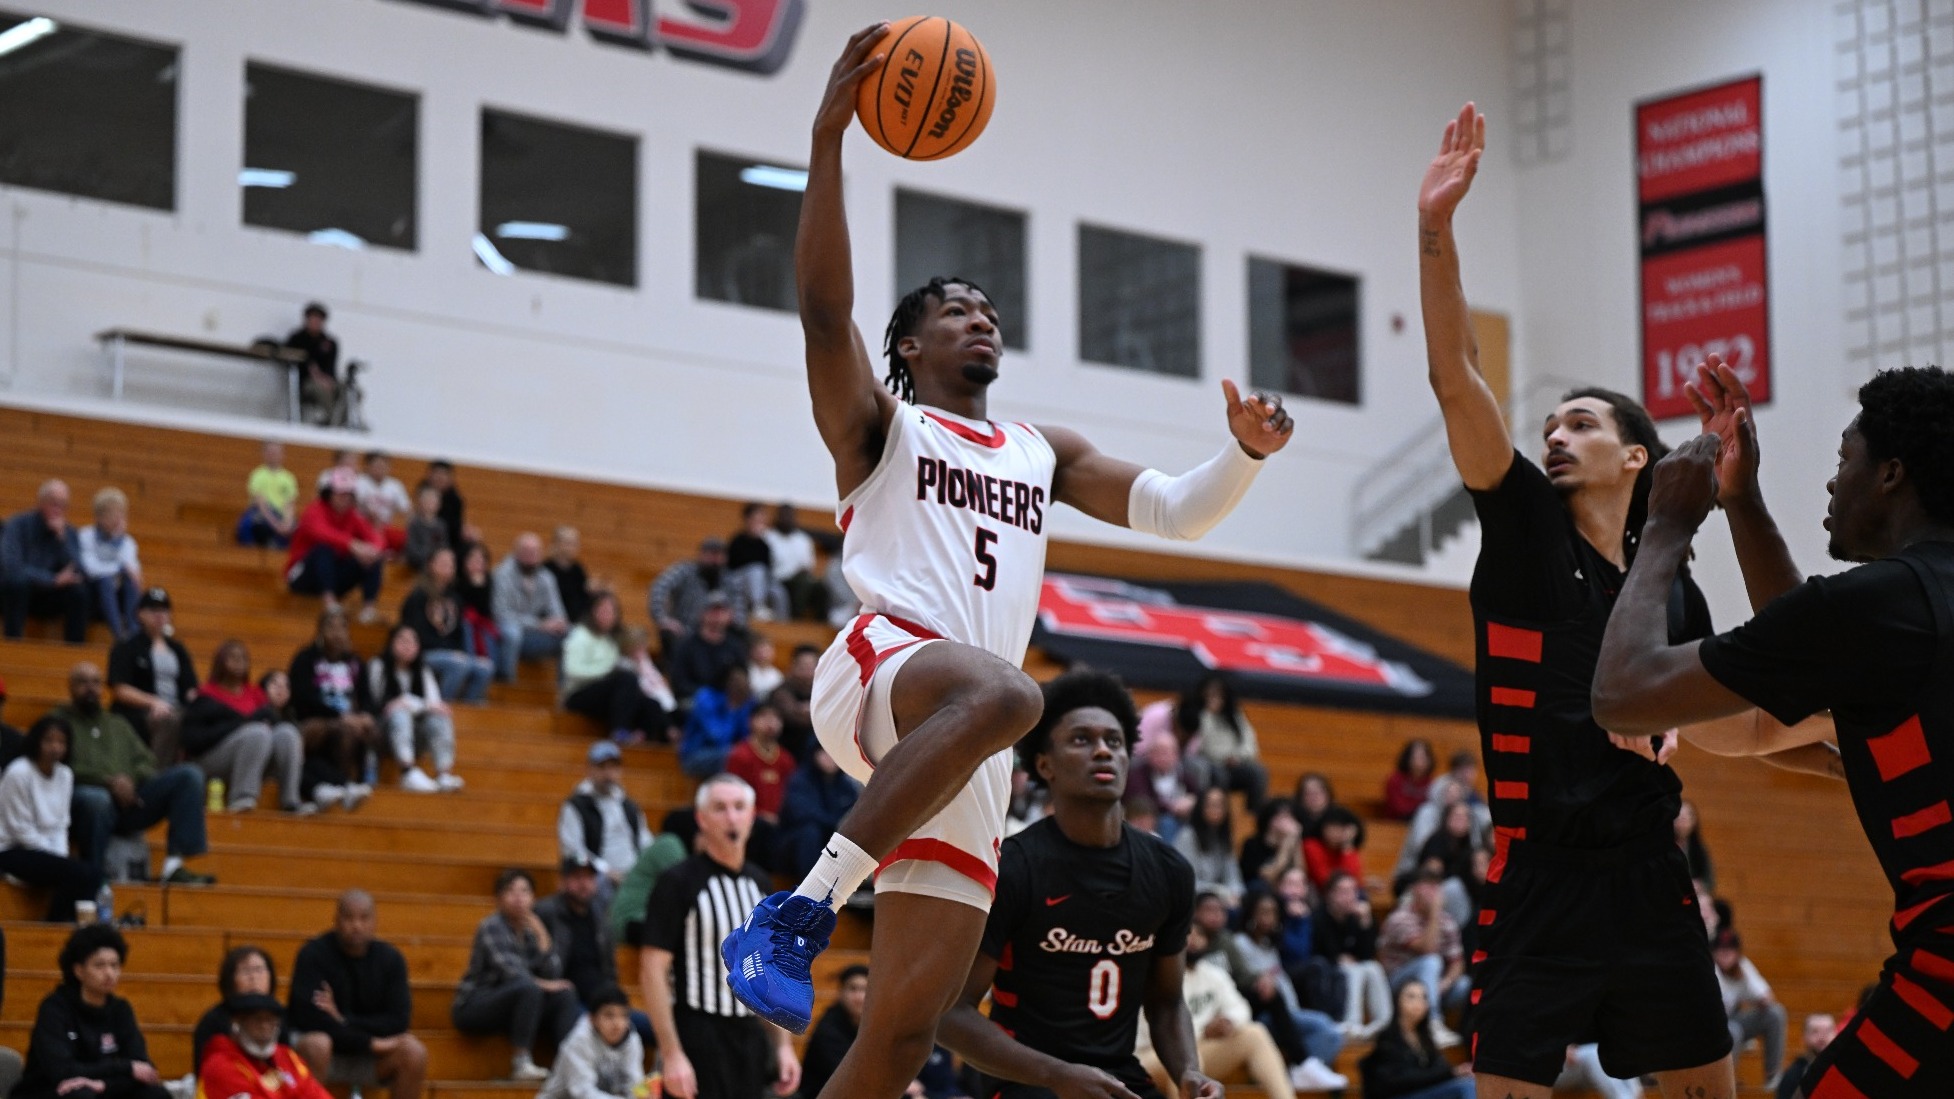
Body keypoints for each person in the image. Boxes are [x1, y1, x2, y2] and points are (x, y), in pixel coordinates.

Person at [719, 32, 1292, 1086]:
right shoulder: (883, 426)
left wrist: (1244, 455)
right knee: (1013, 692)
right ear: (909, 348)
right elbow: (822, 313)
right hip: (888, 665)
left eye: (987, 309)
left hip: (968, 741)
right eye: (953, 309)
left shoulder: (1042, 449)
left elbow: (1176, 511)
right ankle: (797, 910)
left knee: (904, 1029)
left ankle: (814, 917)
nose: (979, 317)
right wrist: (829, 137)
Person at [1416, 102, 1733, 1097]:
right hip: (1537, 876)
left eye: (1582, 423)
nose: (1555, 434)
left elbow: (1720, 712)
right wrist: (1435, 229)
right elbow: (1456, 376)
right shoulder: (1525, 531)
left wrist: (1691, 730)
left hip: (1648, 873)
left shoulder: (1673, 578)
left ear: (1636, 458)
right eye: (1550, 424)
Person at [1588, 360, 1954, 1097]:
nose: (1831, 482)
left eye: (1844, 458)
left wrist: (1665, 524)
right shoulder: (1902, 610)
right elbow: (1813, 642)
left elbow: (1622, 694)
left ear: (1891, 475)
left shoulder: (1879, 604)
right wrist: (1742, 500)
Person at [935, 670, 1221, 1099]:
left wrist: (1189, 1071)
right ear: (1044, 765)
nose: (1103, 750)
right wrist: (1057, 1075)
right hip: (1026, 1081)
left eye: (1114, 741)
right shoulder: (1014, 868)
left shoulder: (1169, 870)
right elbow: (950, 1015)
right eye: (1082, 739)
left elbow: (1166, 1003)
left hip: (1119, 1077)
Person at [641, 775, 800, 1099]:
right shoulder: (678, 881)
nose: (731, 817)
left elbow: (771, 972)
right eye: (720, 808)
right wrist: (671, 1053)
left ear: (752, 817)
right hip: (697, 1032)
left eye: (739, 807)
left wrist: (783, 1046)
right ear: (702, 819)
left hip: (750, 1036)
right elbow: (652, 969)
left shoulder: (761, 886)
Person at [55, 662, 215, 885]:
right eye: (83, 682)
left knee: (189, 775)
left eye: (96, 682)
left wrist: (130, 780)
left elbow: (146, 761)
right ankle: (93, 875)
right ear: (70, 687)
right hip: (82, 805)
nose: (90, 688)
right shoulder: (58, 722)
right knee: (97, 800)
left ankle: (173, 867)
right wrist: (108, 782)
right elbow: (56, 767)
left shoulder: (116, 724)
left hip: (129, 801)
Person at [1135, 920, 1295, 1099]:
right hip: (1147, 1056)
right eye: (1188, 935)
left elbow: (1241, 1008)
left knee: (1255, 1033)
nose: (1194, 940)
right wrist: (1205, 1030)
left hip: (1199, 1050)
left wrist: (1228, 1021)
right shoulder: (1154, 975)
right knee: (1185, 1060)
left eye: (1200, 935)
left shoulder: (1214, 974)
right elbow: (1157, 1032)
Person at [288, 891, 425, 1099]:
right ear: (336, 920)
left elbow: (398, 1022)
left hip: (368, 1058)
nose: (356, 925)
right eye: (349, 918)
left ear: (375, 921)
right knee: (318, 1043)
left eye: (364, 918)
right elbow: (310, 1020)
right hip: (326, 1055)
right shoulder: (313, 955)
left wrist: (343, 1019)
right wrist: (370, 1042)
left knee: (414, 1051)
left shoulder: (391, 959)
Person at [451, 869, 581, 1081]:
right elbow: (511, 972)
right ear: (499, 899)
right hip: (477, 1003)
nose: (518, 897)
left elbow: (553, 973)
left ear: (533, 898)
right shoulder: (491, 926)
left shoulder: (531, 930)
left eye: (525, 891)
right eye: (510, 891)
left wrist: (543, 938)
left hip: (516, 1006)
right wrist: (543, 984)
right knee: (528, 988)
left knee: (564, 995)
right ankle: (521, 1063)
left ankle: (569, 1065)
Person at [15, 924, 167, 1099]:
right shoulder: (55, 1008)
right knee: (81, 1096)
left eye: (115, 965)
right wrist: (125, 1067)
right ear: (79, 971)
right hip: (50, 1090)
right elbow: (62, 1071)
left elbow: (145, 1069)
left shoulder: (120, 1010)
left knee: (156, 1094)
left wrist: (104, 1085)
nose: (109, 973)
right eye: (99, 965)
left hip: (100, 1088)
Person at [182, 642, 308, 814]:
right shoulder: (206, 695)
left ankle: (291, 801)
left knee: (287, 732)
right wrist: (242, 724)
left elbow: (272, 724)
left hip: (256, 757)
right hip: (211, 759)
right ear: (220, 662)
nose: (239, 662)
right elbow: (192, 740)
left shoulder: (256, 695)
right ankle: (242, 798)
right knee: (257, 732)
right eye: (233, 657)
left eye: (243, 658)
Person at [0, 717, 100, 921]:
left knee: (91, 873)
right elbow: (19, 828)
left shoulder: (65, 775)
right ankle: (55, 924)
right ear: (37, 741)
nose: (55, 747)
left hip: (45, 851)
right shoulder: (18, 772)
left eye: (61, 742)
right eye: (49, 740)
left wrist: (59, 856)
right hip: (11, 849)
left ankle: (77, 925)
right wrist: (54, 858)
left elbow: (62, 824)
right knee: (76, 873)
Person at [288, 610, 378, 811]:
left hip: (349, 720)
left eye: (342, 627)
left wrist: (366, 715)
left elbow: (366, 697)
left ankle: (358, 782)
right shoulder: (305, 658)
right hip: (314, 719)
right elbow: (302, 698)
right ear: (320, 631)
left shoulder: (356, 662)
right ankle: (342, 784)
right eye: (331, 627)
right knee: (341, 729)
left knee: (368, 729)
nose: (337, 633)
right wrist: (340, 716)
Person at [1376, 866, 1466, 1048]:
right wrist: (1434, 913)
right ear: (1415, 891)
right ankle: (1433, 1022)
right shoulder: (1400, 918)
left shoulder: (1447, 921)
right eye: (1429, 887)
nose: (1434, 894)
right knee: (1431, 962)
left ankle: (1466, 1035)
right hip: (1399, 984)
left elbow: (1457, 962)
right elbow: (1428, 949)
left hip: (1434, 985)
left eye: (1437, 887)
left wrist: (1445, 983)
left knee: (1465, 985)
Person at [365, 625, 462, 793]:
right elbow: (372, 704)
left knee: (439, 716)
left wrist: (408, 702)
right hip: (382, 732)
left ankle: (443, 773)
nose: (407, 645)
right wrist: (407, 705)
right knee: (400, 713)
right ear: (391, 642)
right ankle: (407, 771)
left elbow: (435, 705)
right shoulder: (377, 665)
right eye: (402, 640)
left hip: (415, 736)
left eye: (412, 642)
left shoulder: (423, 671)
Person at [561, 594, 668, 745]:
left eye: (611, 612)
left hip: (607, 694)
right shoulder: (580, 634)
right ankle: (619, 732)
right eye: (603, 610)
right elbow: (572, 670)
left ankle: (644, 743)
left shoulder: (612, 640)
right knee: (626, 679)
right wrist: (607, 670)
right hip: (578, 693)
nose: (607, 616)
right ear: (593, 611)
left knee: (652, 704)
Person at [106, 588, 197, 760]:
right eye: (153, 610)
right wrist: (153, 702)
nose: (159, 615)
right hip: (140, 711)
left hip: (175, 708)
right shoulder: (126, 646)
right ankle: (155, 770)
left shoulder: (178, 649)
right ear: (140, 614)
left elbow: (190, 687)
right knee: (169, 719)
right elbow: (120, 689)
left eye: (164, 610)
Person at [286, 470, 385, 622]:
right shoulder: (314, 510)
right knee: (323, 549)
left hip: (333, 577)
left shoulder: (352, 515)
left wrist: (372, 551)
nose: (345, 499)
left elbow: (374, 537)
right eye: (340, 494)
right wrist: (352, 544)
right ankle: (330, 603)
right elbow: (321, 533)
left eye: (348, 495)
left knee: (372, 558)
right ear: (330, 494)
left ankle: (368, 609)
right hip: (302, 575)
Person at [398, 547, 492, 705]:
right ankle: (440, 706)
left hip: (450, 653)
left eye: (451, 563)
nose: (448, 566)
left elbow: (460, 632)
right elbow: (416, 633)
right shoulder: (418, 597)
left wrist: (459, 651)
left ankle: (467, 708)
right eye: (443, 562)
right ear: (431, 565)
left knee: (485, 667)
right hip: (424, 652)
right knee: (458, 663)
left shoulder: (456, 598)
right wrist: (451, 652)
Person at [557, 742, 654, 890]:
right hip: (596, 878)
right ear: (590, 769)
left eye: (613, 768)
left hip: (632, 876)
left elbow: (645, 842)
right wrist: (606, 871)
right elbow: (574, 851)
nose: (608, 774)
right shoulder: (576, 806)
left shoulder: (629, 806)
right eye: (602, 767)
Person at [0, 480, 87, 643]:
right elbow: (11, 566)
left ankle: (75, 649)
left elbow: (79, 572)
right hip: (21, 591)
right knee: (16, 582)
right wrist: (52, 579)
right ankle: (13, 643)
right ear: (41, 502)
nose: (58, 509)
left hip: (49, 597)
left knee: (79, 592)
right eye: (54, 503)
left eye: (63, 505)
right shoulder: (17, 524)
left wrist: (62, 541)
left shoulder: (68, 532)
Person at [197, 993, 329, 1099]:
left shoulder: (287, 1057)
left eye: (271, 1020)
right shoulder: (219, 1065)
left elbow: (315, 1093)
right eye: (257, 1020)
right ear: (237, 1023)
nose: (265, 1027)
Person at [1357, 980, 1474, 1099]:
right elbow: (1397, 1081)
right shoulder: (1387, 1037)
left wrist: (1457, 1071)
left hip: (1421, 1093)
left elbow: (1441, 1068)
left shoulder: (1425, 1037)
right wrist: (1451, 1073)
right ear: (1397, 1001)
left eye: (1424, 997)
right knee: (1465, 1087)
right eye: (1411, 996)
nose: (1419, 1002)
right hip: (1399, 1094)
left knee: (1470, 1082)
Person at [1315, 870, 1392, 1040]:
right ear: (1330, 894)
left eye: (1352, 891)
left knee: (1373, 967)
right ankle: (1352, 1023)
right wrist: (1337, 958)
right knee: (1352, 970)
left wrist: (1365, 923)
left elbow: (1367, 954)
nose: (1349, 897)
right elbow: (1318, 951)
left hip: (1352, 966)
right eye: (1343, 891)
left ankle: (1384, 1023)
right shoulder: (1319, 917)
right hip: (1327, 971)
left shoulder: (1356, 917)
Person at [1707, 929, 1786, 1086]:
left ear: (1737, 953)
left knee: (1775, 1013)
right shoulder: (1708, 969)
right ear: (1713, 953)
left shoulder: (1742, 967)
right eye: (1721, 950)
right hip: (1708, 1027)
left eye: (1730, 950)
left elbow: (1767, 997)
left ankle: (1772, 1076)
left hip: (1731, 1021)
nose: (1725, 954)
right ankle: (1724, 1085)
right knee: (1733, 1032)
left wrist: (1757, 996)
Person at [1178, 673, 1268, 810]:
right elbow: (1201, 744)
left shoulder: (1235, 716)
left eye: (1218, 696)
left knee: (1258, 772)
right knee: (1220, 775)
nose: (1214, 700)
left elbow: (1249, 742)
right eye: (1210, 695)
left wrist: (1237, 757)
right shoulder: (1198, 715)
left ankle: (1254, 813)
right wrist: (1208, 713)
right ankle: (1219, 812)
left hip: (1235, 763)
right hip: (1209, 763)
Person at [536, 985, 643, 1099]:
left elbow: (635, 1085)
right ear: (592, 1019)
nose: (618, 1024)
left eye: (623, 1016)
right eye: (609, 1015)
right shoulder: (578, 1041)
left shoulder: (632, 1039)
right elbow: (583, 1093)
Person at [491, 533, 569, 682]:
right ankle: (506, 682)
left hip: (534, 634)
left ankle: (565, 689)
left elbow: (557, 610)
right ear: (516, 552)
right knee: (512, 633)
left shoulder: (546, 577)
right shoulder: (502, 574)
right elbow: (500, 613)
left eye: (535, 552)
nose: (531, 556)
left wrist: (559, 622)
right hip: (508, 629)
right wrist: (539, 624)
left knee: (571, 634)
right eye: (526, 551)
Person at [774, 746, 860, 880]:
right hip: (794, 842)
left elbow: (854, 814)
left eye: (833, 753)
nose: (830, 758)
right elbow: (802, 814)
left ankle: (854, 882)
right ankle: (811, 885)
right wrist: (835, 823)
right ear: (814, 754)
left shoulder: (846, 785)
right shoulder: (800, 780)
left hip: (832, 837)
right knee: (810, 832)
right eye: (824, 753)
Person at [648, 538, 746, 651]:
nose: (715, 560)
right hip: (685, 630)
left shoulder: (731, 580)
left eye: (719, 555)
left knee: (743, 636)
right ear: (701, 555)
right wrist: (662, 618)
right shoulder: (684, 571)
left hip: (719, 635)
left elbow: (740, 612)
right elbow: (660, 587)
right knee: (667, 633)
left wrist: (732, 622)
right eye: (711, 554)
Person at [192, 946, 279, 1071]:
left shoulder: (279, 1014)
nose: (253, 977)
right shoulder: (213, 1021)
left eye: (259, 970)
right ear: (230, 979)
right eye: (245, 971)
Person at [77, 489, 142, 642]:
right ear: (100, 517)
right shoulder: (86, 535)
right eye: (113, 513)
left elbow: (133, 569)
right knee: (106, 580)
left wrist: (117, 540)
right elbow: (91, 568)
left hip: (118, 593)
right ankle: (119, 634)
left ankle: (134, 632)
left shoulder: (127, 542)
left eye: (122, 514)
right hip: (92, 591)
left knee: (130, 581)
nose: (118, 519)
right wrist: (118, 569)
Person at [801, 966, 870, 1099]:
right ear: (841, 993)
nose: (859, 997)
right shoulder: (827, 1029)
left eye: (864, 990)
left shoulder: (873, 1023)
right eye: (853, 989)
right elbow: (847, 1076)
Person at [666, 593, 746, 704]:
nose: (718, 616)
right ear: (702, 613)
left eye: (722, 611)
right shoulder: (686, 645)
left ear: (730, 615)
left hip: (728, 701)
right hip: (694, 700)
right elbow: (679, 681)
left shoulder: (735, 646)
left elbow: (743, 676)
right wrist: (703, 694)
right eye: (713, 611)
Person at [1174, 786, 1246, 907]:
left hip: (1220, 898)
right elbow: (1186, 881)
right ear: (1201, 807)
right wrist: (1221, 892)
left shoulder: (1223, 838)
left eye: (1220, 805)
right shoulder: (1187, 836)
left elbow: (1233, 876)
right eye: (1211, 805)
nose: (1216, 810)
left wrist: (1236, 893)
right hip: (1192, 898)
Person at [678, 664, 752, 779]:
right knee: (738, 756)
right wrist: (732, 708)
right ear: (727, 681)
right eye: (736, 681)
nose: (740, 685)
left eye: (744, 681)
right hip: (696, 755)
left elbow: (746, 737)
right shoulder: (706, 697)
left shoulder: (744, 702)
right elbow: (716, 735)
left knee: (751, 756)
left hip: (725, 753)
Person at [725, 701, 795, 822]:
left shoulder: (786, 759)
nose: (771, 722)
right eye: (764, 716)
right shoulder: (739, 755)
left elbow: (792, 796)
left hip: (782, 822)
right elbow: (733, 794)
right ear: (751, 721)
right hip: (749, 820)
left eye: (776, 717)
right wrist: (758, 815)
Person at [1127, 727, 1199, 844]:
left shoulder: (1184, 774)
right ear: (1149, 754)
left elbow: (1198, 795)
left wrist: (1193, 801)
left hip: (1183, 819)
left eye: (1166, 752)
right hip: (1152, 821)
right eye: (1157, 752)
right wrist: (1173, 807)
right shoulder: (1138, 775)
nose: (1162, 757)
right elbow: (1141, 803)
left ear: (1176, 755)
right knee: (1167, 823)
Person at [764, 504, 823, 621]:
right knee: (802, 583)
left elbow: (809, 566)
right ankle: (796, 619)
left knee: (821, 588)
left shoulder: (803, 539)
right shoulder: (767, 537)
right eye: (784, 515)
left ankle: (821, 623)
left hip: (800, 579)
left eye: (790, 516)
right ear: (777, 517)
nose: (787, 519)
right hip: (778, 580)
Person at [729, 504, 786, 622]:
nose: (759, 525)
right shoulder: (737, 541)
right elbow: (731, 566)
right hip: (738, 580)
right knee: (756, 570)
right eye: (756, 521)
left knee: (778, 590)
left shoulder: (764, 546)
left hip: (760, 582)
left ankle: (782, 622)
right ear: (748, 520)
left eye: (762, 522)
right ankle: (757, 606)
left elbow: (768, 569)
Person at [239, 441, 300, 548]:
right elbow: (261, 504)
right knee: (252, 524)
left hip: (281, 515)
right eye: (270, 452)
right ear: (264, 454)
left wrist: (287, 523)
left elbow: (290, 504)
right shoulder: (257, 475)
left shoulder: (288, 478)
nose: (273, 455)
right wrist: (276, 525)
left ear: (282, 454)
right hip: (263, 514)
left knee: (300, 529)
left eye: (276, 452)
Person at [287, 303, 340, 419]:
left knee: (349, 390)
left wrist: (328, 379)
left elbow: (331, 366)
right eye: (313, 318)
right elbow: (299, 363)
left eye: (318, 319)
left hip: (327, 380)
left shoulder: (329, 342)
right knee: (320, 390)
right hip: (306, 382)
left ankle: (339, 420)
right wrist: (316, 375)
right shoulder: (297, 339)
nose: (315, 322)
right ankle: (331, 420)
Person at [1301, 805, 1366, 893]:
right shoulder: (1311, 846)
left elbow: (1353, 880)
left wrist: (1347, 846)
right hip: (1318, 893)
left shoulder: (1348, 851)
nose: (1335, 833)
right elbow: (1324, 881)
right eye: (1332, 827)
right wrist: (1347, 848)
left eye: (1341, 829)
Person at [355, 453, 411, 554]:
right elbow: (352, 506)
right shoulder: (359, 482)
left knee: (406, 539)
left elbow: (406, 510)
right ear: (368, 466)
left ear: (389, 467)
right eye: (376, 466)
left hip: (385, 527)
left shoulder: (395, 485)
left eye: (383, 466)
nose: (380, 469)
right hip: (362, 527)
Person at [1775, 1013, 1835, 1099]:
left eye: (1827, 1031)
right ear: (1804, 1036)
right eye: (1815, 1031)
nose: (1822, 1037)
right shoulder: (1793, 1074)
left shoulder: (1846, 1068)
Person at [545, 526, 594, 626]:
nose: (572, 548)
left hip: (577, 622)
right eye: (568, 543)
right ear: (557, 544)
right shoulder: (546, 570)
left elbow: (583, 598)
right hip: (553, 622)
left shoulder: (578, 570)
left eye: (575, 544)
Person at [1384, 738, 1438, 821]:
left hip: (1422, 821)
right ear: (1408, 758)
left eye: (1425, 757)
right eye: (1418, 756)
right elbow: (1399, 808)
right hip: (1396, 822)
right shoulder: (1395, 780)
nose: (1422, 760)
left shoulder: (1431, 782)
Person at [418, 461, 466, 553]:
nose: (439, 478)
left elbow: (456, 528)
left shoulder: (455, 500)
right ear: (430, 475)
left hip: (446, 541)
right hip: (422, 537)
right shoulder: (421, 492)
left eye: (443, 474)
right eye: (437, 474)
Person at [402, 488, 447, 573]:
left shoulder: (441, 525)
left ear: (439, 505)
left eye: (433, 502)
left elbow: (443, 545)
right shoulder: (414, 524)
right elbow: (411, 548)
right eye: (427, 502)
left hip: (436, 562)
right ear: (421, 504)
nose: (430, 505)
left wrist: (438, 559)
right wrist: (429, 558)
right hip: (418, 563)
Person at [1675, 798, 1715, 891]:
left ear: (1693, 821)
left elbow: (1710, 881)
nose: (1682, 822)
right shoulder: (1662, 848)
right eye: (1679, 817)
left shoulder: (1699, 849)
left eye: (1685, 818)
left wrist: (1699, 885)